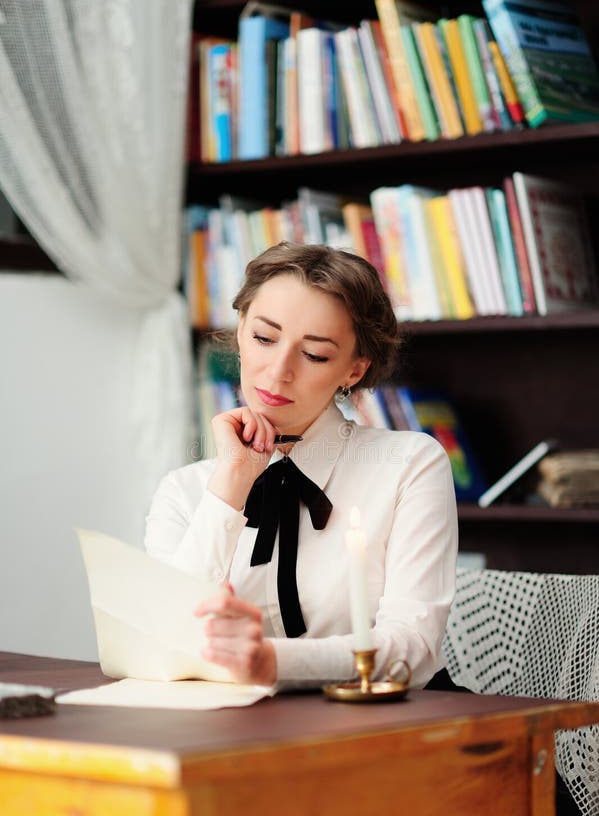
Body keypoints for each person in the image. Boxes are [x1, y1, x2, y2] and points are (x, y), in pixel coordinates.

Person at [145, 241, 458, 689]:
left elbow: (413, 646)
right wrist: (231, 485)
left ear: (353, 370)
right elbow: (167, 643)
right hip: (236, 733)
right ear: (239, 331)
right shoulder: (184, 491)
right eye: (264, 338)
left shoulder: (409, 464)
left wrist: (272, 662)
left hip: (389, 723)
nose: (277, 372)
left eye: (314, 354)